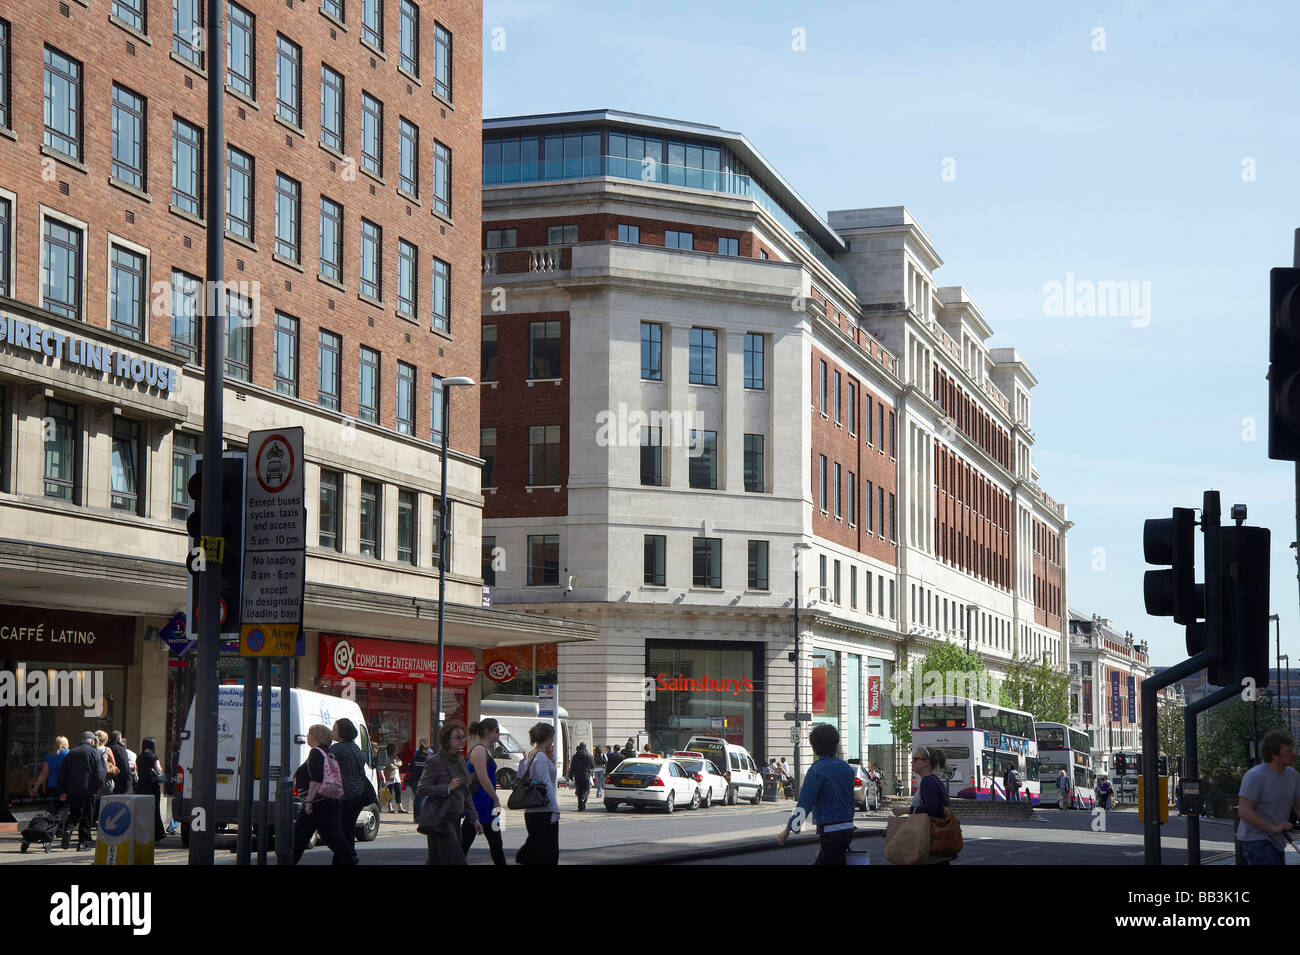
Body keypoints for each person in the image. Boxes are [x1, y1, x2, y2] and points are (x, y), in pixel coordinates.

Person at [776, 724, 855, 864]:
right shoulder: (847, 769)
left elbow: (804, 805)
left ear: (815, 747)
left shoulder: (817, 770)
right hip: (848, 828)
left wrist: (787, 831)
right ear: (835, 744)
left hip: (830, 831)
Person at [292, 724, 355, 865]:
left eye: (310, 733)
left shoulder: (315, 752)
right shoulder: (329, 752)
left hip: (316, 803)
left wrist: (308, 802)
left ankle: (349, 857)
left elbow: (316, 779)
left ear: (317, 736)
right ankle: (349, 857)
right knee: (333, 837)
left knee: (298, 839)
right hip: (330, 801)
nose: (307, 736)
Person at [417, 722, 478, 865]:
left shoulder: (460, 760)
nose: (463, 740)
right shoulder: (435, 761)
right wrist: (447, 788)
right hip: (440, 818)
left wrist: (474, 818)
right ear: (447, 740)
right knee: (456, 859)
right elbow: (421, 788)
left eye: (464, 737)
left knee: (438, 860)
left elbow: (466, 793)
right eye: (458, 737)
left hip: (455, 817)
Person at [1237, 729, 1300, 865]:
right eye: (1288, 751)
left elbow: (1298, 805)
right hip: (1255, 839)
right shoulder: (1255, 776)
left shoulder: (1293, 775)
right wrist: (1274, 827)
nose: (1293, 754)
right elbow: (1244, 811)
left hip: (1277, 840)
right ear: (1274, 755)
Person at [461, 719, 506, 866]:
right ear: (487, 731)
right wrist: (496, 798)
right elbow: (482, 777)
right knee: (465, 844)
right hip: (479, 804)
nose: (499, 734)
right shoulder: (479, 750)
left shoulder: (485, 750)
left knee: (496, 844)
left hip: (487, 805)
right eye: (496, 730)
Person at [517, 722, 560, 865]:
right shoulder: (540, 757)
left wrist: (552, 758)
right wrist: (555, 810)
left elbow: (534, 779)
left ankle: (522, 858)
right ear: (548, 737)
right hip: (543, 810)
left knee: (537, 849)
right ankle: (521, 858)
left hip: (532, 810)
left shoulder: (531, 755)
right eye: (552, 737)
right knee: (549, 852)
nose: (553, 740)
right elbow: (547, 783)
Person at [60, 732, 105, 850]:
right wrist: (99, 786)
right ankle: (82, 843)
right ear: (92, 741)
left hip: (73, 790)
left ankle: (69, 829)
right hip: (89, 790)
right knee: (87, 816)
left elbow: (63, 773)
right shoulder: (94, 752)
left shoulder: (71, 752)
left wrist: (64, 789)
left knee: (74, 813)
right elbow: (99, 772)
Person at [330, 718, 368, 855]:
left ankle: (348, 856)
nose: (332, 731)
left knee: (340, 830)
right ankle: (349, 854)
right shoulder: (356, 748)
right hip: (359, 793)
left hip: (345, 796)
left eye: (334, 729)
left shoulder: (336, 749)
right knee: (348, 828)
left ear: (342, 731)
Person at [892, 746, 949, 820]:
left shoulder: (928, 780)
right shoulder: (931, 780)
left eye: (915, 759)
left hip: (930, 830)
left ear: (926, 762)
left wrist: (905, 810)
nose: (911, 762)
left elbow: (933, 809)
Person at [133, 737, 167, 842]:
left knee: (142, 811)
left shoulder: (139, 757)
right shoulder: (154, 757)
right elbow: (159, 770)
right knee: (155, 810)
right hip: (152, 787)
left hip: (141, 786)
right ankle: (159, 833)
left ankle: (142, 832)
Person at [29, 736, 69, 803]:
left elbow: (44, 773)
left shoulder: (50, 756)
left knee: (56, 806)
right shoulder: (69, 754)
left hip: (52, 786)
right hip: (65, 787)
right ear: (66, 744)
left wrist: (36, 787)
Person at [408, 738, 432, 818]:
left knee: (417, 798)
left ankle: (416, 816)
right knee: (422, 798)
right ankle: (421, 816)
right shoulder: (428, 759)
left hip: (415, 781)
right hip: (424, 781)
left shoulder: (415, 758)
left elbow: (410, 769)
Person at [568, 742, 594, 811]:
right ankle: (583, 798)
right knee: (587, 790)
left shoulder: (575, 756)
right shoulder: (588, 756)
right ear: (585, 747)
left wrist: (570, 776)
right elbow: (592, 766)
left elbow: (572, 767)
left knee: (579, 791)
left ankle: (580, 806)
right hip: (586, 776)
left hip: (577, 776)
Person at [383, 743, 406, 813]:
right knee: (389, 793)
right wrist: (396, 765)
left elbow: (400, 763)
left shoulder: (395, 756)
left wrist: (395, 764)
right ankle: (390, 807)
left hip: (397, 778)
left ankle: (400, 807)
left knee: (398, 791)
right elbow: (389, 766)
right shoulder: (386, 757)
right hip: (389, 778)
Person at [108, 731, 132, 796]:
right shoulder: (120, 749)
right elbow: (125, 766)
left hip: (108, 779)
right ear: (118, 739)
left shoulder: (107, 748)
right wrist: (129, 779)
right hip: (120, 780)